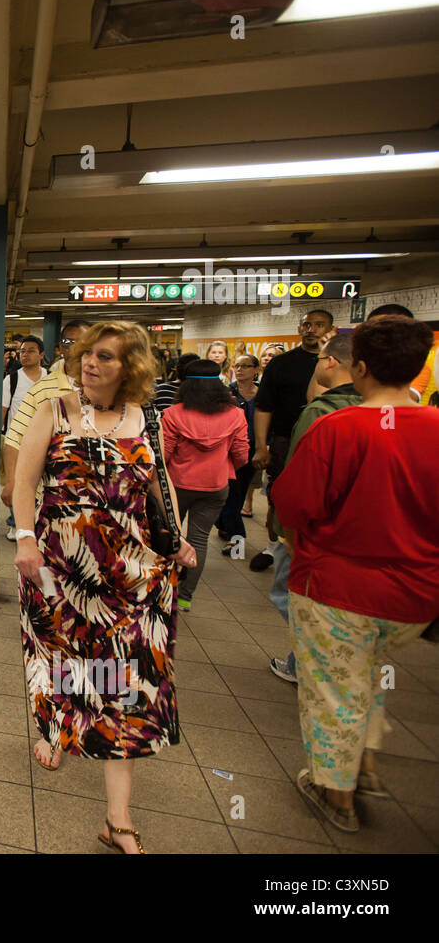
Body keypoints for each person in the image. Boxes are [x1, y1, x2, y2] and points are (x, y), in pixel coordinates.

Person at [12, 321, 196, 853]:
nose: (91, 363)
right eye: (88, 353)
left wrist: (179, 541)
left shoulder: (148, 420)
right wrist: (25, 538)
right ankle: (56, 728)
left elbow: (163, 489)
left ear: (131, 367)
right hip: (60, 567)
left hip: (134, 571)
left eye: (107, 357)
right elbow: (24, 482)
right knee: (62, 657)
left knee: (129, 681)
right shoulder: (57, 410)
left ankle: (118, 819)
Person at [273, 316, 439, 833]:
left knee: (334, 692)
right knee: (369, 677)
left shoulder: (337, 428)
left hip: (337, 591)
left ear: (359, 367)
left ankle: (335, 794)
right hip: (416, 596)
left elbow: (294, 507)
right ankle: (365, 765)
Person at [266, 333, 362, 683]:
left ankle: (311, 662)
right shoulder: (387, 410)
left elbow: (299, 479)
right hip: (354, 530)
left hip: (311, 530)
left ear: (331, 363)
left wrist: (284, 527)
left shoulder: (321, 414)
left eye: (320, 359)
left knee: (288, 593)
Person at [250, 309, 335, 572]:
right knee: (279, 493)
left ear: (330, 329)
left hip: (327, 440)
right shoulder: (281, 363)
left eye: (319, 325)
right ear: (300, 329)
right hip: (285, 439)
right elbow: (264, 407)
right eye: (307, 324)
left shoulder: (339, 363)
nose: (312, 329)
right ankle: (274, 545)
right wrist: (261, 446)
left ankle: (310, 546)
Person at [160, 360, 249, 612]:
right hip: (215, 486)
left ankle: (164, 590)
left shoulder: (173, 413)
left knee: (169, 536)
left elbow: (164, 454)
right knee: (199, 539)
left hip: (177, 485)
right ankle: (185, 597)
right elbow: (242, 454)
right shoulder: (236, 414)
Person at [0, 320, 92, 516]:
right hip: (52, 497)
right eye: (69, 342)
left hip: (98, 497)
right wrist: (11, 482)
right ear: (60, 348)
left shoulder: (109, 391)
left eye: (84, 342)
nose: (76, 349)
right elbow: (14, 439)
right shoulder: (40, 391)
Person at [0, 335, 46, 540]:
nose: (25, 355)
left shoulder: (51, 378)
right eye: (22, 351)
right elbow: (3, 411)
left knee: (42, 484)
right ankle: (16, 523)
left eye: (30, 351)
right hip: (17, 441)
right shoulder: (12, 380)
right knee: (18, 482)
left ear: (41, 355)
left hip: (45, 442)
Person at [215, 352, 259, 540]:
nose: (240, 370)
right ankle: (237, 540)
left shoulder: (263, 394)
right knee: (232, 495)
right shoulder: (226, 392)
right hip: (228, 451)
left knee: (239, 493)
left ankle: (223, 524)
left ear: (256, 370)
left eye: (246, 366)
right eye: (238, 366)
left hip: (253, 449)